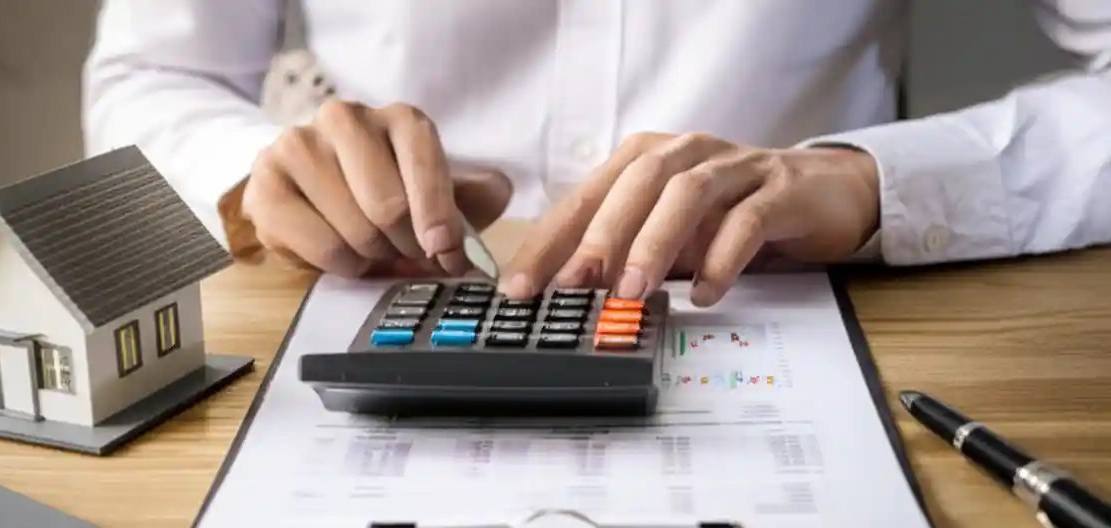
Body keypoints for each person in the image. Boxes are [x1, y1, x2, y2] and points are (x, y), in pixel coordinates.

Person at [82, 1, 1111, 307]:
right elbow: (147, 76)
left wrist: (876, 180)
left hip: (813, 303)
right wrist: (253, 169)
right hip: (362, 294)